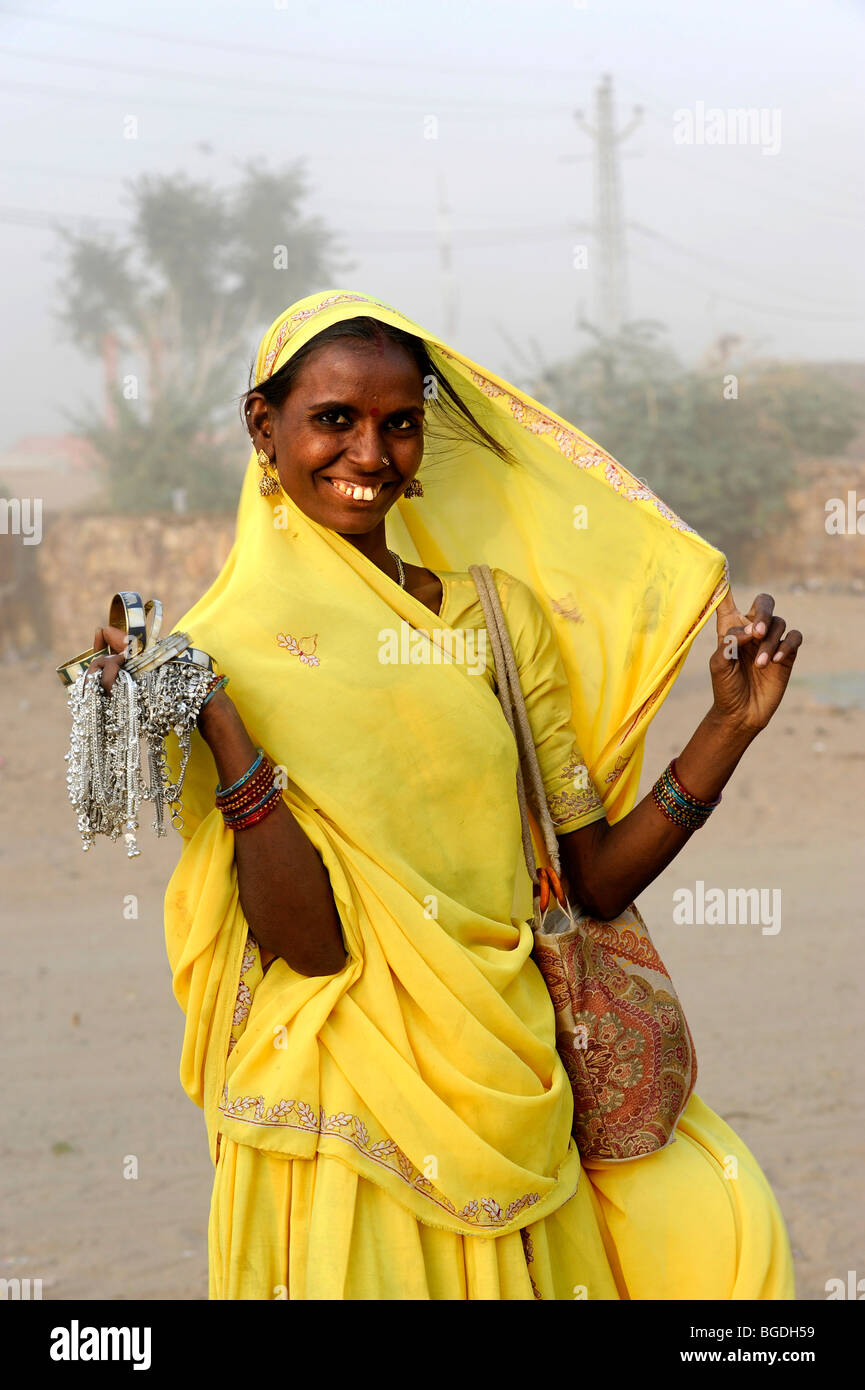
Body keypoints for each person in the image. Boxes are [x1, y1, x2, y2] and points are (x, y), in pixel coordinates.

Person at [89, 289, 802, 1300]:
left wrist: (728, 727)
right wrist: (224, 724)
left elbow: (593, 879)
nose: (369, 453)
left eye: (399, 423)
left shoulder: (494, 622)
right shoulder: (209, 656)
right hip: (338, 1117)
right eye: (334, 418)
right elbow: (311, 947)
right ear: (263, 426)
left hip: (513, 1088)